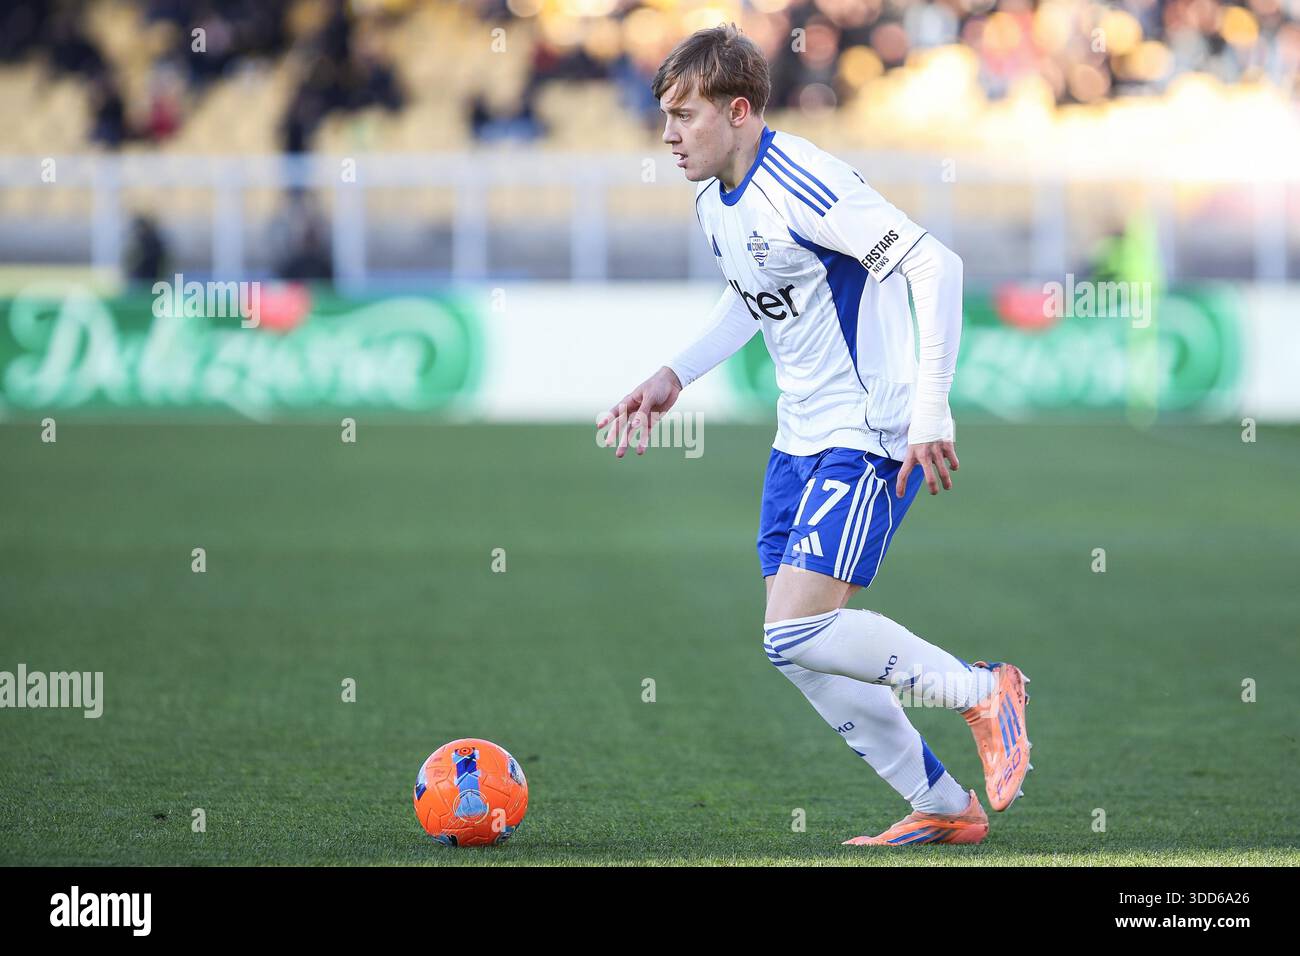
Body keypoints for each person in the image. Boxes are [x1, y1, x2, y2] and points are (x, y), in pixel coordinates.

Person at [597, 24, 1031, 846]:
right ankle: (942, 805)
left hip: (870, 430)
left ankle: (982, 690)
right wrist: (675, 375)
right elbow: (749, 291)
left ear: (737, 110)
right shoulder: (711, 195)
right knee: (794, 647)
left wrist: (929, 412)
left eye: (684, 115)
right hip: (798, 439)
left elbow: (937, 266)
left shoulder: (804, 180)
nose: (668, 135)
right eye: (665, 115)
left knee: (795, 628)